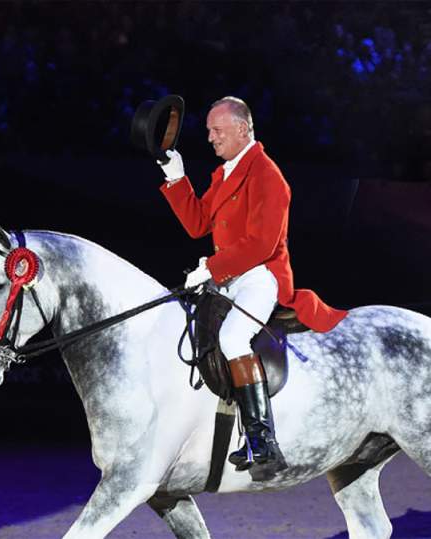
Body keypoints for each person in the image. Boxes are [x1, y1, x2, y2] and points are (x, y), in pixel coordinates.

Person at [157, 96, 347, 474]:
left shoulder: (267, 175)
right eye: (209, 131)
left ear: (242, 128)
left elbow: (261, 244)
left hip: (261, 275)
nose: (210, 138)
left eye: (217, 130)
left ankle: (263, 439)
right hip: (230, 275)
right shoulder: (226, 173)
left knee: (232, 340)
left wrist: (212, 267)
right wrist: (177, 179)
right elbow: (198, 223)